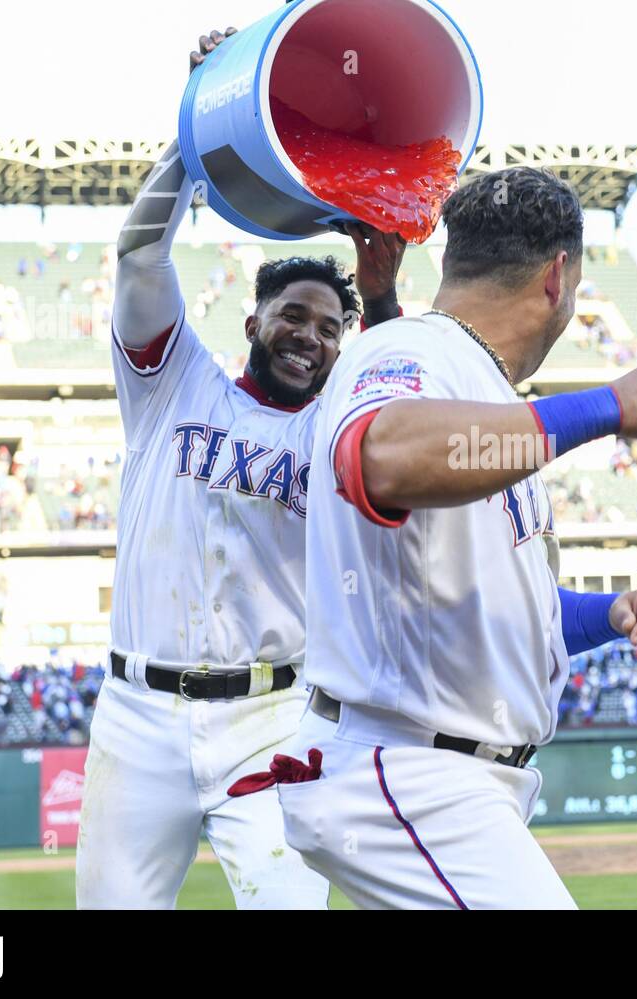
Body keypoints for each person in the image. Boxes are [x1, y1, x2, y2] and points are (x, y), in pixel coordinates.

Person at [229, 166, 637, 908]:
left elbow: (490, 597)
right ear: (559, 277)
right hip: (409, 776)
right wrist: (612, 404)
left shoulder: (480, 388)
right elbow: (381, 455)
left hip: (444, 776)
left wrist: (611, 613)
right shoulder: (417, 351)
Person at [75, 27, 407, 910]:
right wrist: (195, 131)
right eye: (295, 314)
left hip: (269, 719)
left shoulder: (337, 431)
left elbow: (409, 416)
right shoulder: (171, 381)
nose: (312, 334)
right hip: (140, 712)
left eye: (332, 327)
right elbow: (140, 251)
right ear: (254, 320)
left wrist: (378, 297)